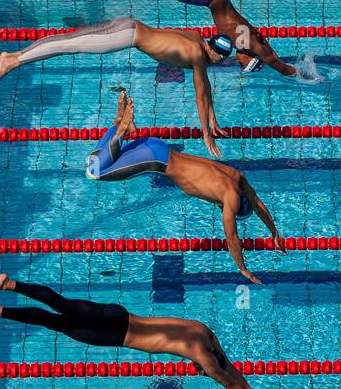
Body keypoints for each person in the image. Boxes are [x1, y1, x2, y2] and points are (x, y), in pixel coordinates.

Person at [0, 274, 268, 389]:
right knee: (52, 322)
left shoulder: (203, 333)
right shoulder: (202, 356)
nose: (198, 370)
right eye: (201, 371)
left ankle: (10, 285)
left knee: (61, 304)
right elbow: (227, 380)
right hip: (114, 334)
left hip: (118, 313)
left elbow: (230, 368)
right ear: (204, 364)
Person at [87, 89, 284, 284]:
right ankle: (121, 129)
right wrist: (243, 268)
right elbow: (232, 238)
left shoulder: (237, 177)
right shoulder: (229, 197)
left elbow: (257, 203)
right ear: (233, 208)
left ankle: (118, 122)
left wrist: (274, 232)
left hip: (157, 146)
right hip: (155, 160)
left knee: (94, 159)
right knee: (94, 172)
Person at [0, 16, 232, 157]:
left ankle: (14, 56)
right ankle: (13, 60)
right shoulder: (197, 55)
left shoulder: (195, 39)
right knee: (68, 45)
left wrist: (213, 120)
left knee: (67, 40)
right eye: (220, 59)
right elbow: (200, 95)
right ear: (215, 53)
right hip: (126, 36)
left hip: (128, 24)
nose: (218, 63)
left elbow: (206, 89)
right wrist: (206, 134)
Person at [76, 0, 297, 79]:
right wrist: (297, 74)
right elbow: (275, 61)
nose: (239, 63)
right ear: (251, 59)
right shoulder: (250, 44)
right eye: (243, 65)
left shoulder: (244, 41)